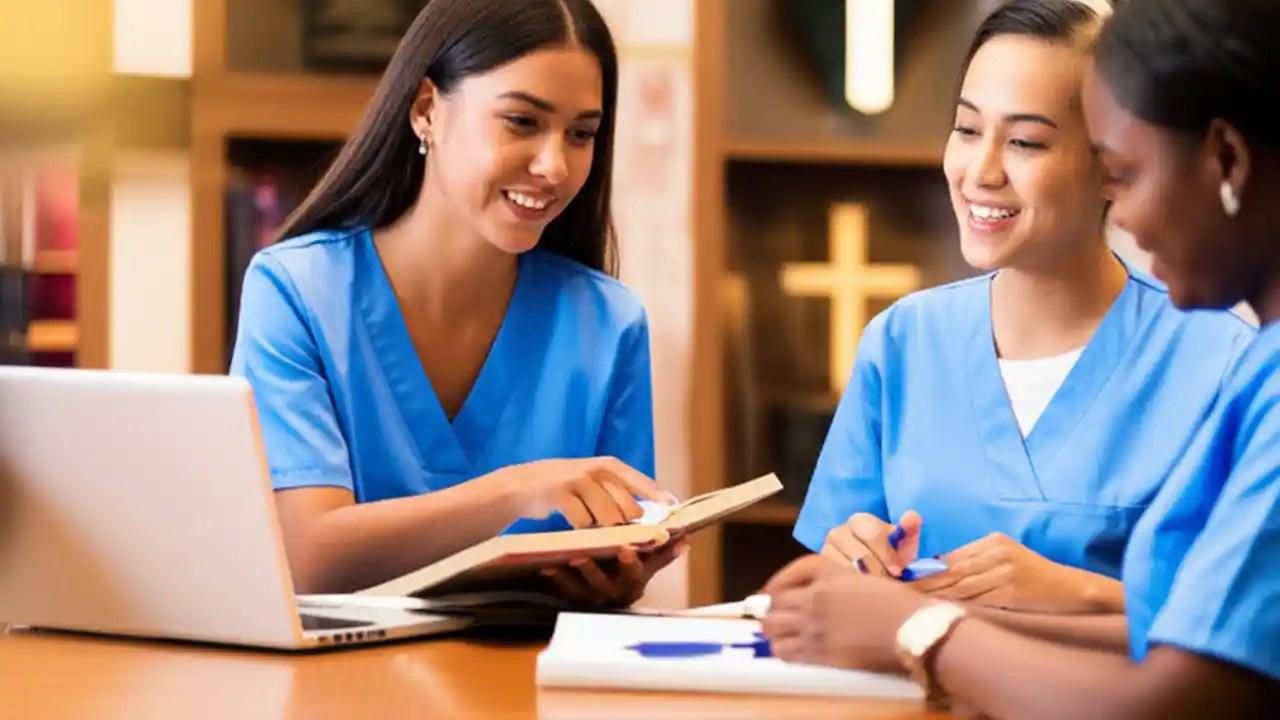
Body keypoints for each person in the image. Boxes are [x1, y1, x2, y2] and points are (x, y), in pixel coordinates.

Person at [762, 0, 1280, 716]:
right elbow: (822, 597)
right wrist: (855, 572)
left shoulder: (1232, 364)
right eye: (967, 129)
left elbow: (1203, 668)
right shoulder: (905, 340)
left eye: (1028, 143)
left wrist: (936, 624)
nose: (981, 170)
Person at [229, 0, 683, 602]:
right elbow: (306, 557)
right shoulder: (297, 291)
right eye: (522, 121)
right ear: (426, 112)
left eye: (581, 134)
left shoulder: (610, 323)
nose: (554, 165)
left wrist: (619, 579)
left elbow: (616, 547)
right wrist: (520, 491)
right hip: (343, 689)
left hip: (530, 686)